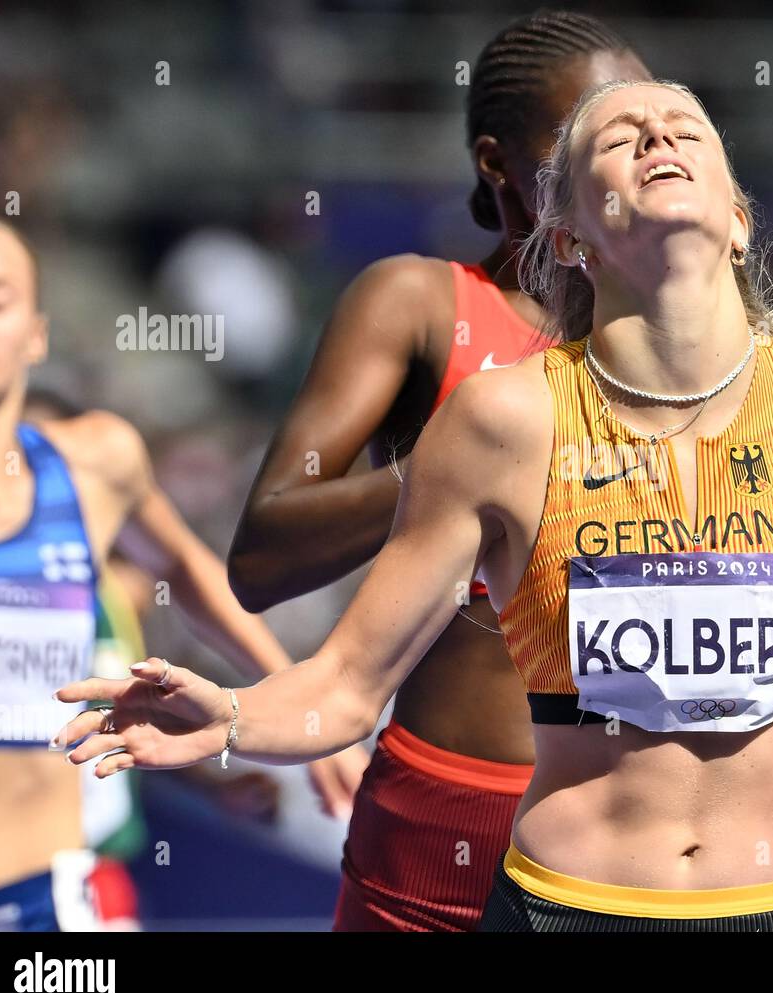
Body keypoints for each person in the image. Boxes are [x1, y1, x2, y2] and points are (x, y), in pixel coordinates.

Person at [56, 79, 773, 932]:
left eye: (685, 125)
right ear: (564, 234)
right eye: (620, 135)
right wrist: (233, 715)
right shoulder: (498, 422)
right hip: (570, 906)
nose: (657, 132)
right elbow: (345, 683)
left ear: (738, 221)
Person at [224, 11, 650, 931]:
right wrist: (465, 464)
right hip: (444, 813)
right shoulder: (418, 302)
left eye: (635, 129)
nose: (615, 162)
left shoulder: (685, 349)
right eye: (582, 135)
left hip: (637, 825)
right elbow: (262, 556)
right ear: (499, 163)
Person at [0, 210, 293, 931]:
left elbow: (186, 566)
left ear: (37, 330)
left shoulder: (95, 464)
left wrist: (293, 702)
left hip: (41, 899)